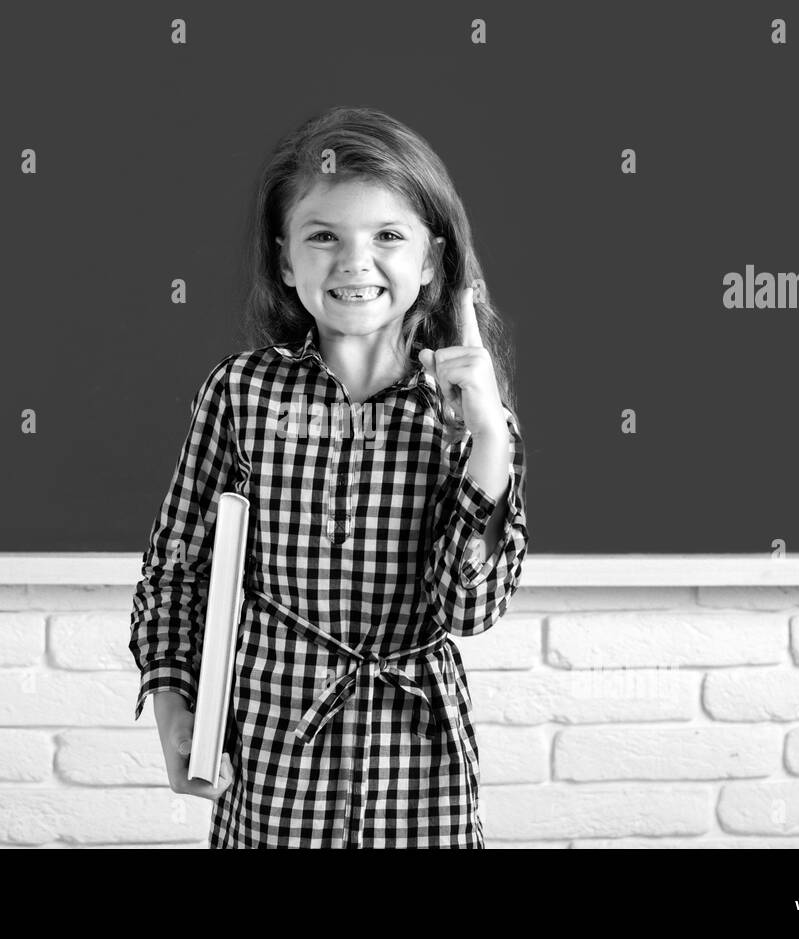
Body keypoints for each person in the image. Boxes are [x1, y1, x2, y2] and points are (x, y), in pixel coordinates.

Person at [129, 105, 529, 847]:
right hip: (276, 761)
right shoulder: (239, 393)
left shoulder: (472, 420)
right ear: (286, 260)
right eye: (324, 237)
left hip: (420, 773)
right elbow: (177, 567)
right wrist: (174, 701)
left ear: (433, 261)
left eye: (387, 236)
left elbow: (469, 610)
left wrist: (486, 438)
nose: (355, 263)